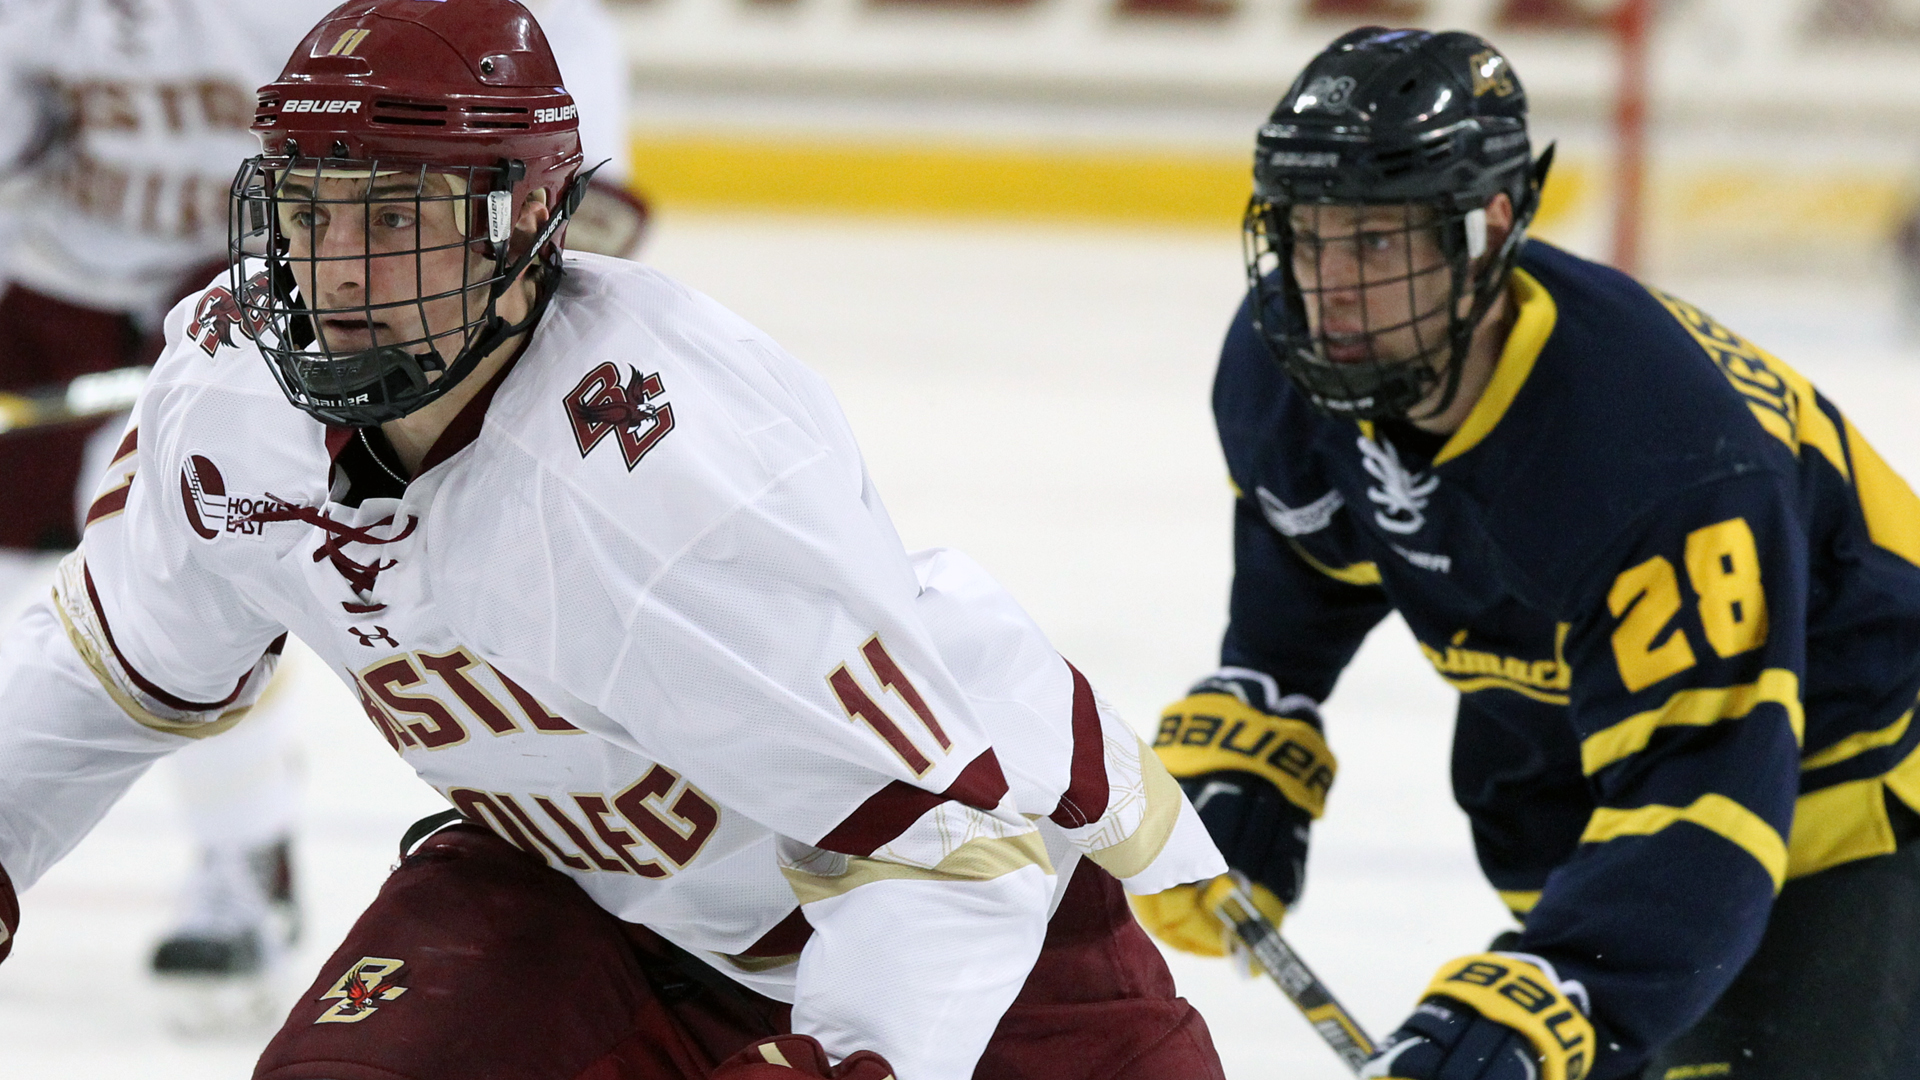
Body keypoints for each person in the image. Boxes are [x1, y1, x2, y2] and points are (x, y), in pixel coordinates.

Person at [0, 2, 1231, 1078]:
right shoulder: (232, 391)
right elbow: (101, 669)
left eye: (393, 223)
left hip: (948, 938)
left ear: (527, 219)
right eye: (311, 216)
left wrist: (851, 1062)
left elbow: (946, 853)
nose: (337, 276)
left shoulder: (670, 482)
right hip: (576, 896)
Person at [1129, 26, 1920, 1080]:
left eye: (1373, 244)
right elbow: (1315, 544)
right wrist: (1266, 709)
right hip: (1570, 759)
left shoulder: (1656, 458)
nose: (1332, 291)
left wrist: (1566, 985)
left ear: (1487, 228)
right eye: (1309, 238)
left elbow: (1706, 789)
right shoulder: (1289, 367)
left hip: (1855, 767)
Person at [0, 0, 650, 1003]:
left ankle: (241, 866)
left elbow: (548, 41)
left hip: (293, 281)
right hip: (54, 288)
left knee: (201, 544)